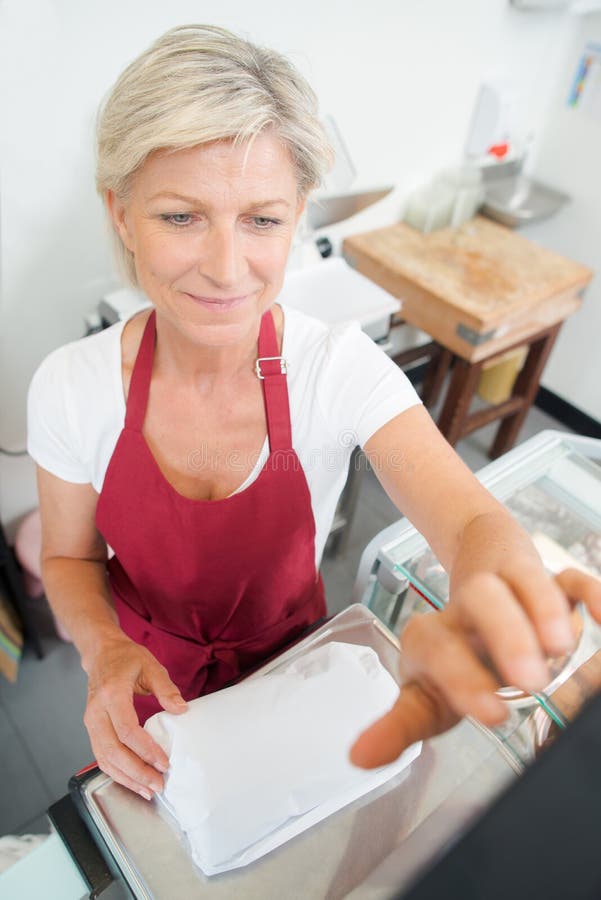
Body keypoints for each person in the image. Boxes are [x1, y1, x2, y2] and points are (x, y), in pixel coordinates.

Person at [28, 24, 601, 803]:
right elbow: (66, 560)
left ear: (296, 215)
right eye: (179, 217)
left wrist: (499, 594)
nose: (227, 269)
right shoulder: (70, 386)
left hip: (295, 666)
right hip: (142, 681)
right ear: (121, 214)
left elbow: (468, 524)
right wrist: (101, 651)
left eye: (260, 220)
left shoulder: (337, 369)